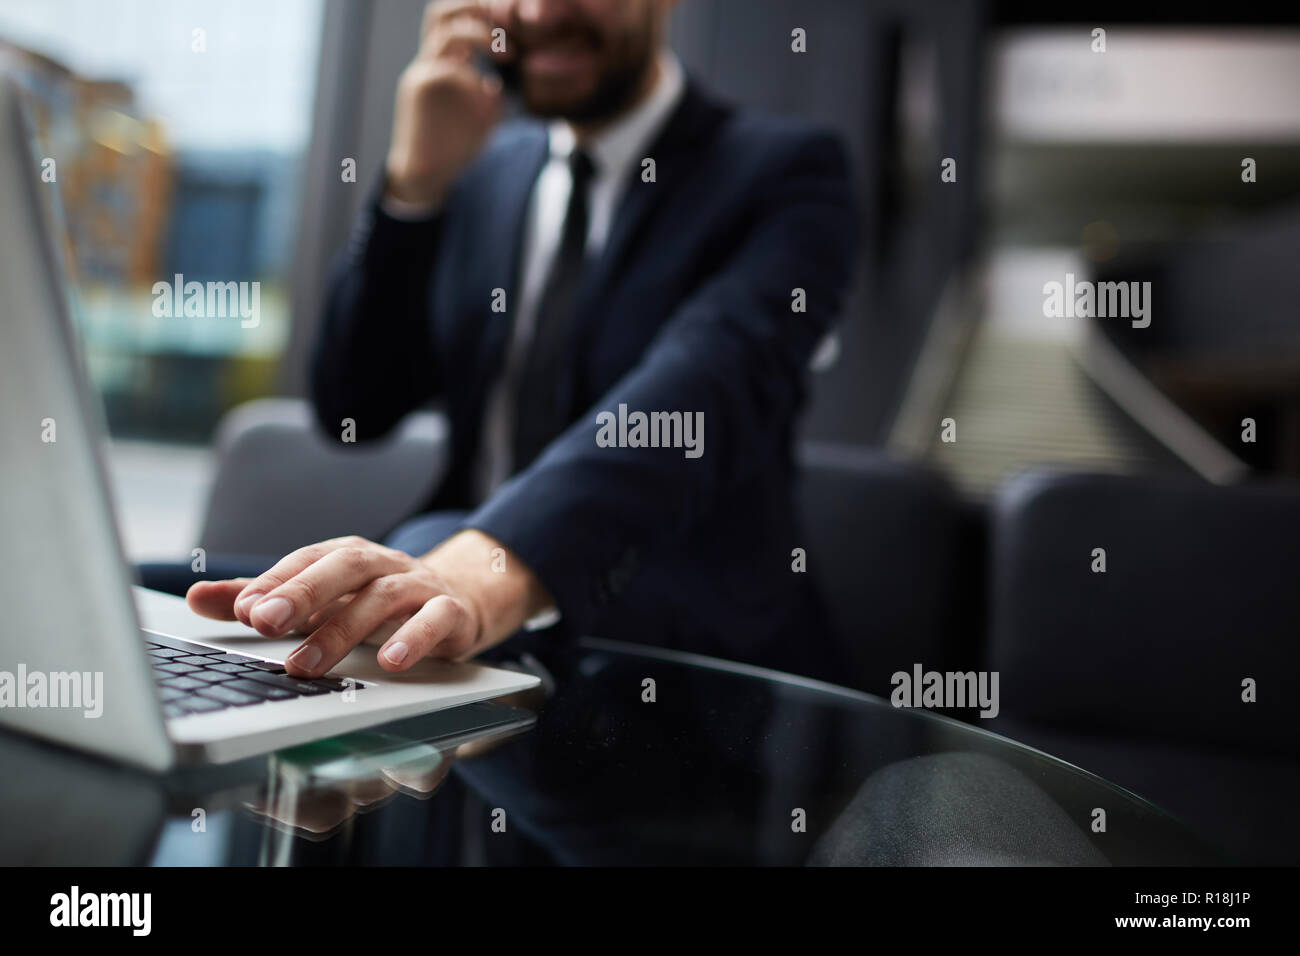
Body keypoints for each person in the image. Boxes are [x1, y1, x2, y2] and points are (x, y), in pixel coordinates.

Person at [184, 0, 859, 685]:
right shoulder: (485, 168)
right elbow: (354, 406)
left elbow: (707, 383)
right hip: (451, 619)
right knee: (163, 607)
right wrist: (413, 191)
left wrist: (482, 570)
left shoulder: (788, 172)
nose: (538, 12)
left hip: (684, 658)